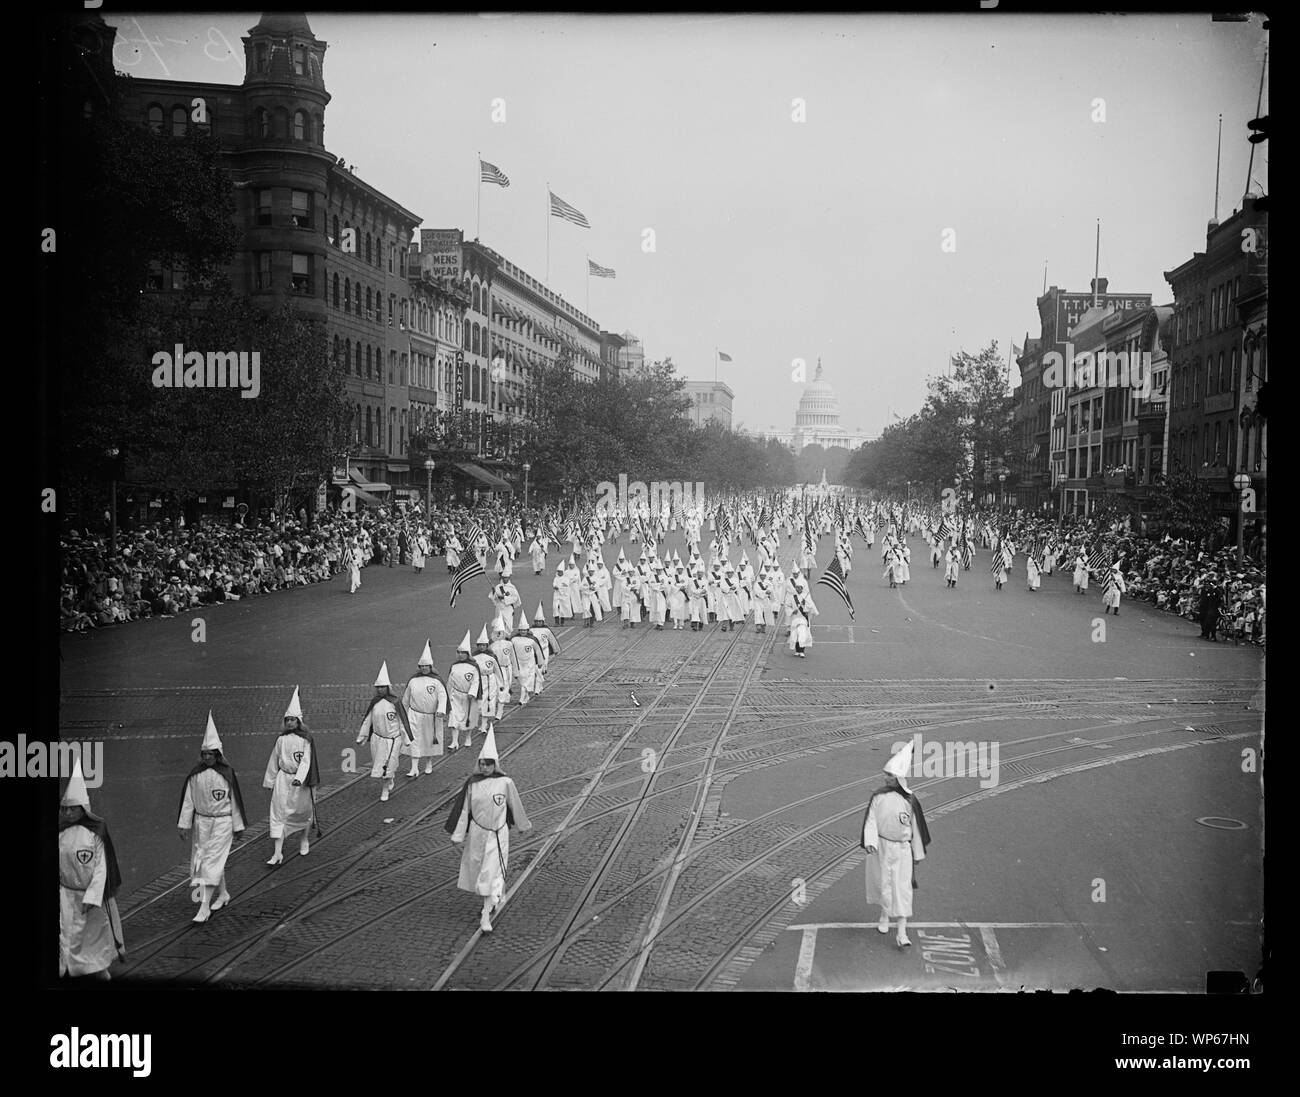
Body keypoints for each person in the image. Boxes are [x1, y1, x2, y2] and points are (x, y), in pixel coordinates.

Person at [446, 729, 532, 933]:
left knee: (490, 871)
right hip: (477, 834)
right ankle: (496, 896)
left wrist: (521, 825)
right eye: (482, 763)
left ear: (495, 764)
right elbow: (465, 810)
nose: (485, 767)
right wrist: (458, 835)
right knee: (480, 869)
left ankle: (485, 915)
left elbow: (515, 805)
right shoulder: (472, 785)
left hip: (497, 835)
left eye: (489, 763)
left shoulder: (505, 783)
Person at [59, 754, 126, 978]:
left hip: (89, 899)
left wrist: (92, 895)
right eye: (65, 809)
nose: (68, 813)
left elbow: (101, 867)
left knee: (91, 945)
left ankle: (100, 974)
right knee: (66, 942)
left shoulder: (95, 832)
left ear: (83, 809)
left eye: (72, 809)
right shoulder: (59, 833)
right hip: (66, 897)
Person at [178, 713, 248, 923]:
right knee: (206, 860)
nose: (207, 757)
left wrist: (238, 826)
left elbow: (234, 801)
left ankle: (204, 907)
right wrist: (184, 824)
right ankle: (223, 894)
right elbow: (189, 800)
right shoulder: (195, 775)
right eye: (204, 754)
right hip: (202, 822)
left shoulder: (226, 774)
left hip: (222, 821)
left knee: (210, 862)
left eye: (211, 754)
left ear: (217, 754)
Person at [861, 740, 930, 948]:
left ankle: (902, 932)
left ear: (899, 778)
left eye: (889, 775)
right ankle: (884, 915)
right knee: (883, 883)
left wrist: (917, 853)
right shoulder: (878, 797)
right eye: (886, 774)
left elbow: (916, 827)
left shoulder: (909, 801)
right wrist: (871, 841)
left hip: (901, 849)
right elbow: (871, 820)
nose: (886, 778)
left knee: (902, 888)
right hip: (882, 847)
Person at [262, 686, 319, 864]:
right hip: (282, 779)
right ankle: (277, 852)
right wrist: (270, 781)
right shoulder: (281, 740)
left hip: (299, 782)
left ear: (298, 721)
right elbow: (274, 760)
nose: (290, 723)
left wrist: (299, 778)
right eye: (287, 720)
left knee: (302, 812)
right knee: (278, 813)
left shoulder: (305, 740)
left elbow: (306, 761)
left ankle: (304, 838)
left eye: (293, 720)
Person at [356, 662, 413, 801]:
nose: (380, 689)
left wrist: (406, 739)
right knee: (380, 764)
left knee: (388, 764)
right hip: (378, 739)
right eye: (378, 687)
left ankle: (385, 789)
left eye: (383, 687)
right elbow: (368, 721)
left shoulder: (395, 702)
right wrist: (362, 736)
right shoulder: (375, 703)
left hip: (393, 739)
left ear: (388, 688)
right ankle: (390, 779)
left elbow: (402, 722)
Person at [402, 641, 448, 771]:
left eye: (426, 666)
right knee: (414, 740)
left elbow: (443, 696)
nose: (424, 669)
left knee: (429, 740)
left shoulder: (436, 681)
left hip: (431, 716)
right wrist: (403, 713)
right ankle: (414, 767)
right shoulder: (413, 680)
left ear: (430, 666)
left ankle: (429, 763)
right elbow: (406, 699)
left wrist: (441, 710)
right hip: (415, 714)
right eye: (422, 666)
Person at [447, 632, 485, 752]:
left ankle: (468, 737)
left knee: (469, 717)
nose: (461, 655)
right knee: (453, 717)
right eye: (459, 652)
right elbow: (450, 681)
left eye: (463, 653)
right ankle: (454, 741)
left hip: (468, 696)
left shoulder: (473, 667)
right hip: (455, 696)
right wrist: (447, 697)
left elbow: (476, 681)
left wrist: (472, 693)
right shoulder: (454, 666)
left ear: (468, 654)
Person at [472, 625, 505, 737]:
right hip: (478, 681)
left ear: (487, 645)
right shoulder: (474, 657)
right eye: (480, 645)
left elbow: (497, 670)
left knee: (489, 702)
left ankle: (484, 724)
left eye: (484, 645)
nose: (482, 647)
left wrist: (501, 684)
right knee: (479, 703)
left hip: (490, 681)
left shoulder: (491, 657)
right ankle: (477, 720)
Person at [510, 610, 544, 705]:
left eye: (524, 630)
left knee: (527, 679)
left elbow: (538, 651)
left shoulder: (532, 640)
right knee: (521, 679)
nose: (523, 632)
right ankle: (526, 694)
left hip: (529, 663)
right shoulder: (513, 639)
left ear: (527, 630)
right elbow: (510, 651)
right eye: (521, 630)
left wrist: (540, 662)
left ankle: (522, 698)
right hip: (518, 663)